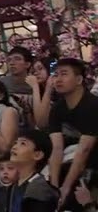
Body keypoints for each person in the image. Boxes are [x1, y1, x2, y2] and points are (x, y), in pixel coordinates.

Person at [46, 58, 98, 208]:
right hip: (70, 164)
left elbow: (84, 150)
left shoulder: (93, 105)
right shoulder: (57, 109)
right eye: (55, 75)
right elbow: (57, 149)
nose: (58, 79)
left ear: (79, 79)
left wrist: (66, 188)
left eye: (63, 74)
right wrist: (55, 187)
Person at [3, 130, 58, 212]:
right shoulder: (13, 186)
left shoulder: (39, 189)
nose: (14, 147)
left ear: (37, 155)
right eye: (15, 143)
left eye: (23, 144)